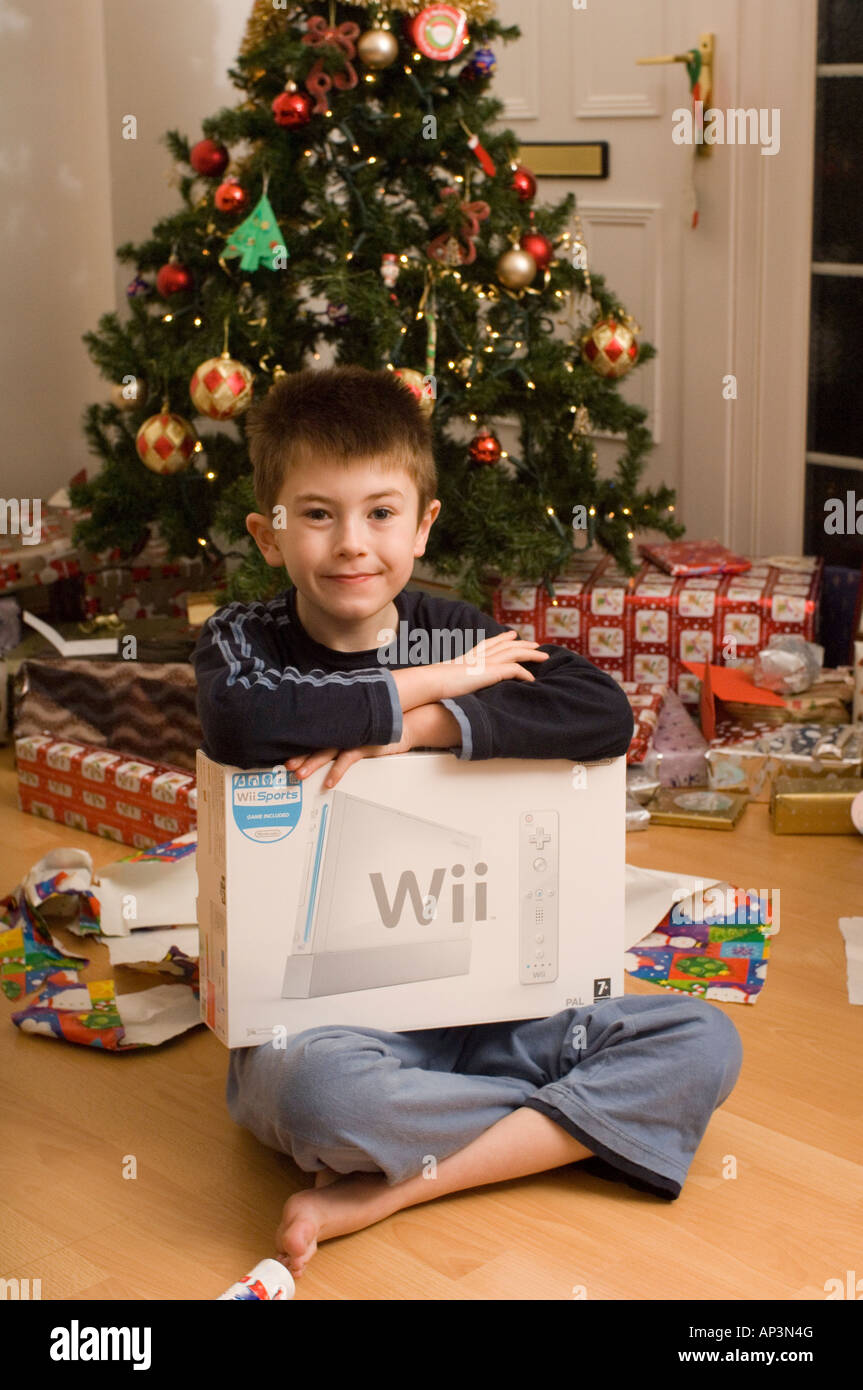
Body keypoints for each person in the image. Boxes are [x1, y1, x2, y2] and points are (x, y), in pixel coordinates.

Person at [192, 365, 743, 1281]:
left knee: (704, 1041)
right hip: (329, 1030)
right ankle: (558, 1124)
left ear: (423, 525)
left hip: (491, 1009)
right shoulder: (242, 640)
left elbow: (597, 711)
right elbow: (246, 721)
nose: (351, 544)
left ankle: (400, 1184)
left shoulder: (450, 627)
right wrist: (435, 682)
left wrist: (416, 726)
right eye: (316, 514)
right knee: (317, 1100)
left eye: (379, 513)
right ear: (267, 533)